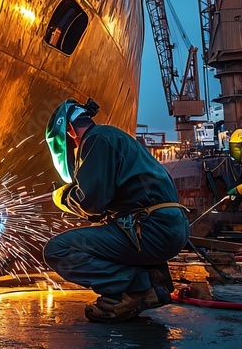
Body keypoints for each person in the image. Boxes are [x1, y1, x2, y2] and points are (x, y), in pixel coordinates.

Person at [43, 99, 189, 323]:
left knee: (57, 250)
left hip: (151, 230)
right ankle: (152, 282)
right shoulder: (113, 137)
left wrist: (61, 196)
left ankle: (137, 289)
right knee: (103, 229)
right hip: (165, 227)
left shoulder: (96, 140)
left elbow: (90, 204)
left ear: (69, 130)